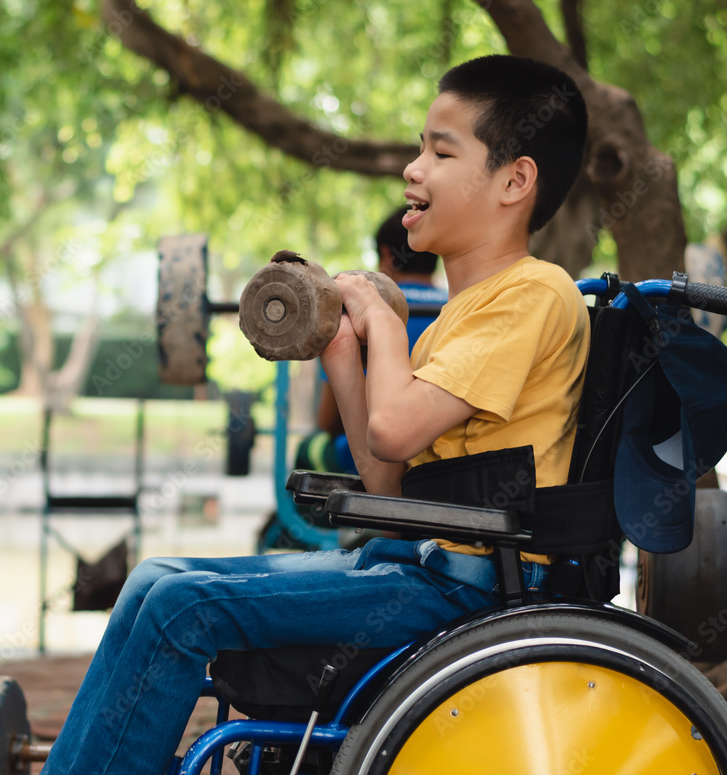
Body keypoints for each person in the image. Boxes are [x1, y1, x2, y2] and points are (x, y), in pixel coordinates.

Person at [41, 54, 590, 775]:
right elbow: (387, 479)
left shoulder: (534, 294)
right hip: (421, 563)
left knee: (181, 606)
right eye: (420, 147)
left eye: (441, 151)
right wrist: (339, 348)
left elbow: (393, 428)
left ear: (514, 182)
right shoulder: (468, 312)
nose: (413, 169)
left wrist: (385, 322)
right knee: (153, 577)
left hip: (471, 586)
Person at [305, 206, 447, 475]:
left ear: (386, 254)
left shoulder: (357, 313)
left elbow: (329, 421)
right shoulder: (459, 310)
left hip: (373, 455)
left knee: (307, 450)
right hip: (442, 459)